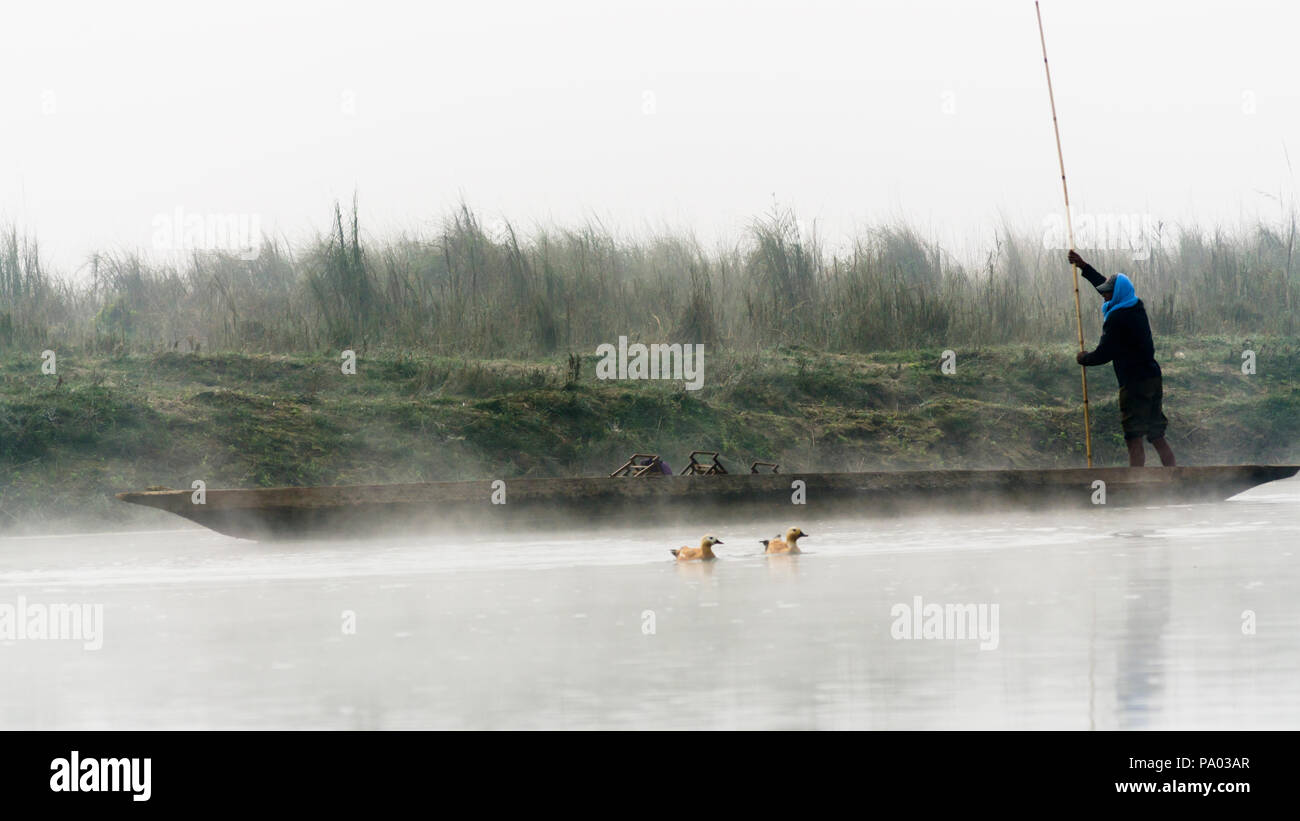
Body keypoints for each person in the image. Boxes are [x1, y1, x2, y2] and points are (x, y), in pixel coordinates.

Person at [1068, 250, 1176, 467]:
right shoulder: (1135, 305)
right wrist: (1084, 266)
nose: (1106, 296)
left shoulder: (1117, 318)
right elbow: (1107, 286)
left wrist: (1084, 358)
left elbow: (1104, 353)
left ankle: (1135, 486)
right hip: (1153, 378)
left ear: (1116, 294)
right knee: (1156, 434)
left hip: (1134, 384)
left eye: (1109, 293)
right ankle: (1174, 477)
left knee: (1133, 436)